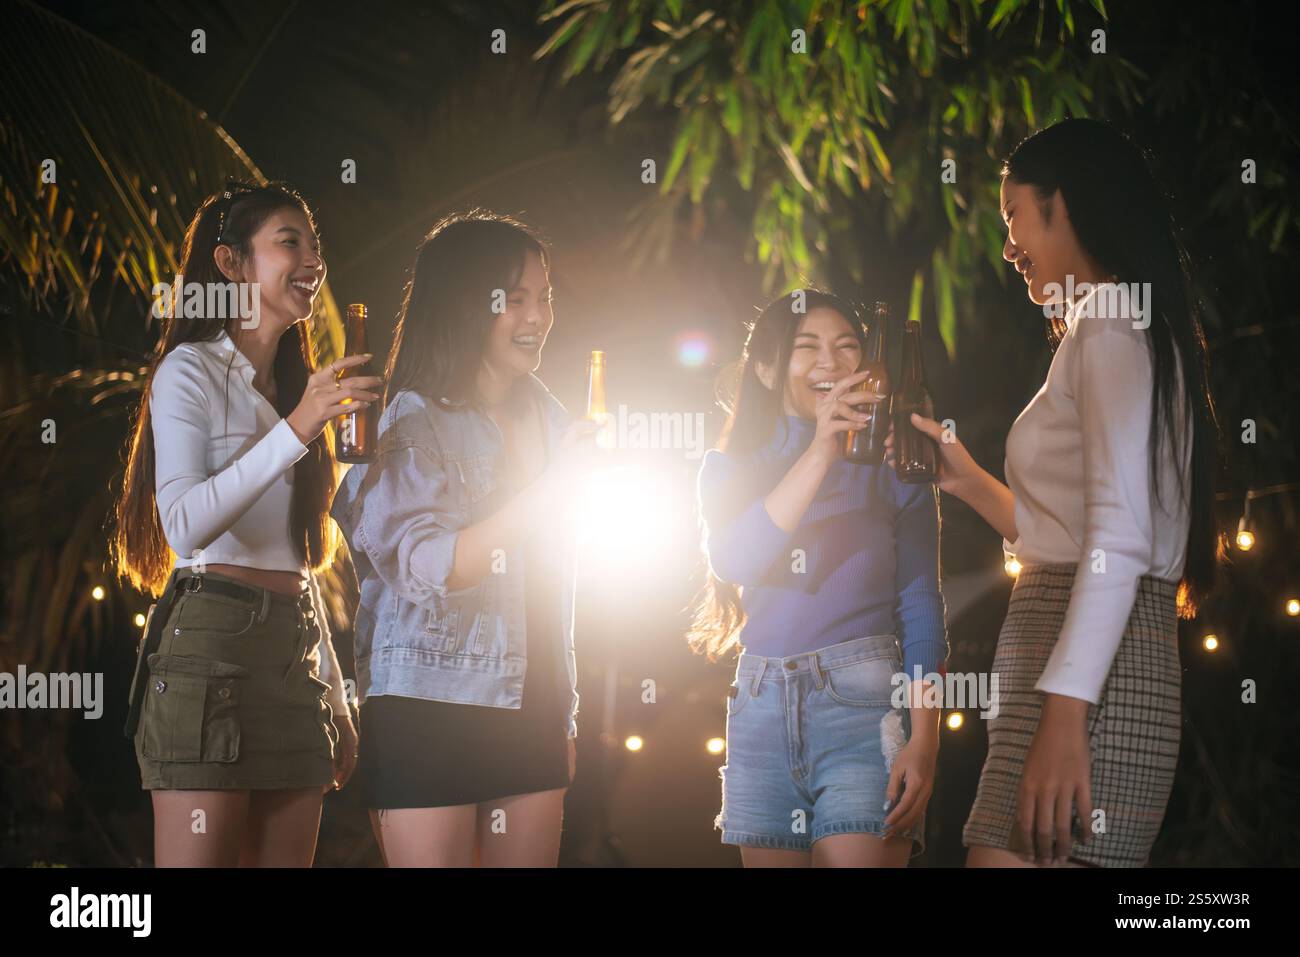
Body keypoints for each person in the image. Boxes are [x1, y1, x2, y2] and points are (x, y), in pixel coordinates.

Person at [889, 118, 1221, 867]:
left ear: (1062, 205)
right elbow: (1071, 535)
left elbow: (1119, 540)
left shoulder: (1107, 325)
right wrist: (966, 477)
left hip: (1086, 680)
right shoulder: (1111, 326)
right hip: (1068, 655)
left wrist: (1067, 717)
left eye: (1013, 217)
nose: (1008, 246)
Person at [113, 182, 381, 866]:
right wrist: (297, 429)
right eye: (290, 241)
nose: (312, 259)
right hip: (211, 646)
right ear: (230, 264)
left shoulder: (294, 393)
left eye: (316, 245)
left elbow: (295, 558)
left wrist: (340, 702)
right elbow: (182, 525)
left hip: (294, 661)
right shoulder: (190, 370)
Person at [330, 210, 598, 867]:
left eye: (546, 297)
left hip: (531, 705)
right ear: (465, 302)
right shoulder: (412, 419)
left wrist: (562, 712)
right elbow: (427, 567)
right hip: (428, 704)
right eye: (515, 298)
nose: (536, 316)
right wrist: (550, 488)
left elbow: (553, 588)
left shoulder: (555, 419)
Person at [690, 290, 948, 867]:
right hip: (759, 706)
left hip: (865, 707)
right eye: (807, 348)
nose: (829, 362)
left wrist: (926, 738)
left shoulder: (897, 464)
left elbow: (922, 608)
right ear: (765, 368)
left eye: (846, 347)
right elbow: (735, 561)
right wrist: (821, 450)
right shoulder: (729, 468)